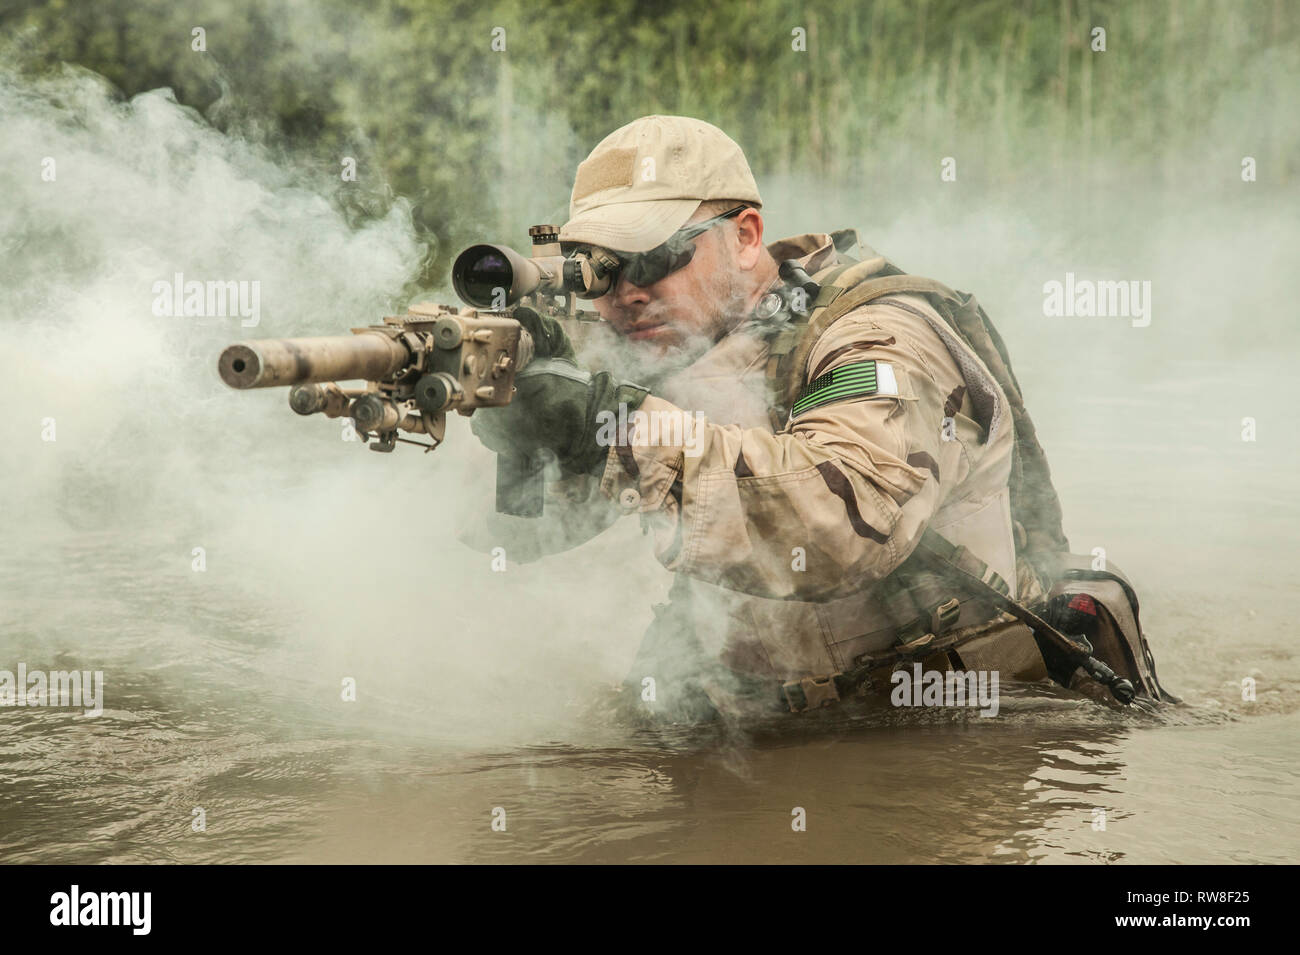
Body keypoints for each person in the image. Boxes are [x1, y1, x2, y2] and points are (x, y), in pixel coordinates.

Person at [470, 115, 1173, 722]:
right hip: (761, 722)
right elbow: (517, 543)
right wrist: (525, 429)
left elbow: (837, 520)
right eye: (599, 270)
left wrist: (614, 426)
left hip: (943, 737)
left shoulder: (881, 335)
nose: (626, 294)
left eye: (655, 257)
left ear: (747, 236)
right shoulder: (673, 341)